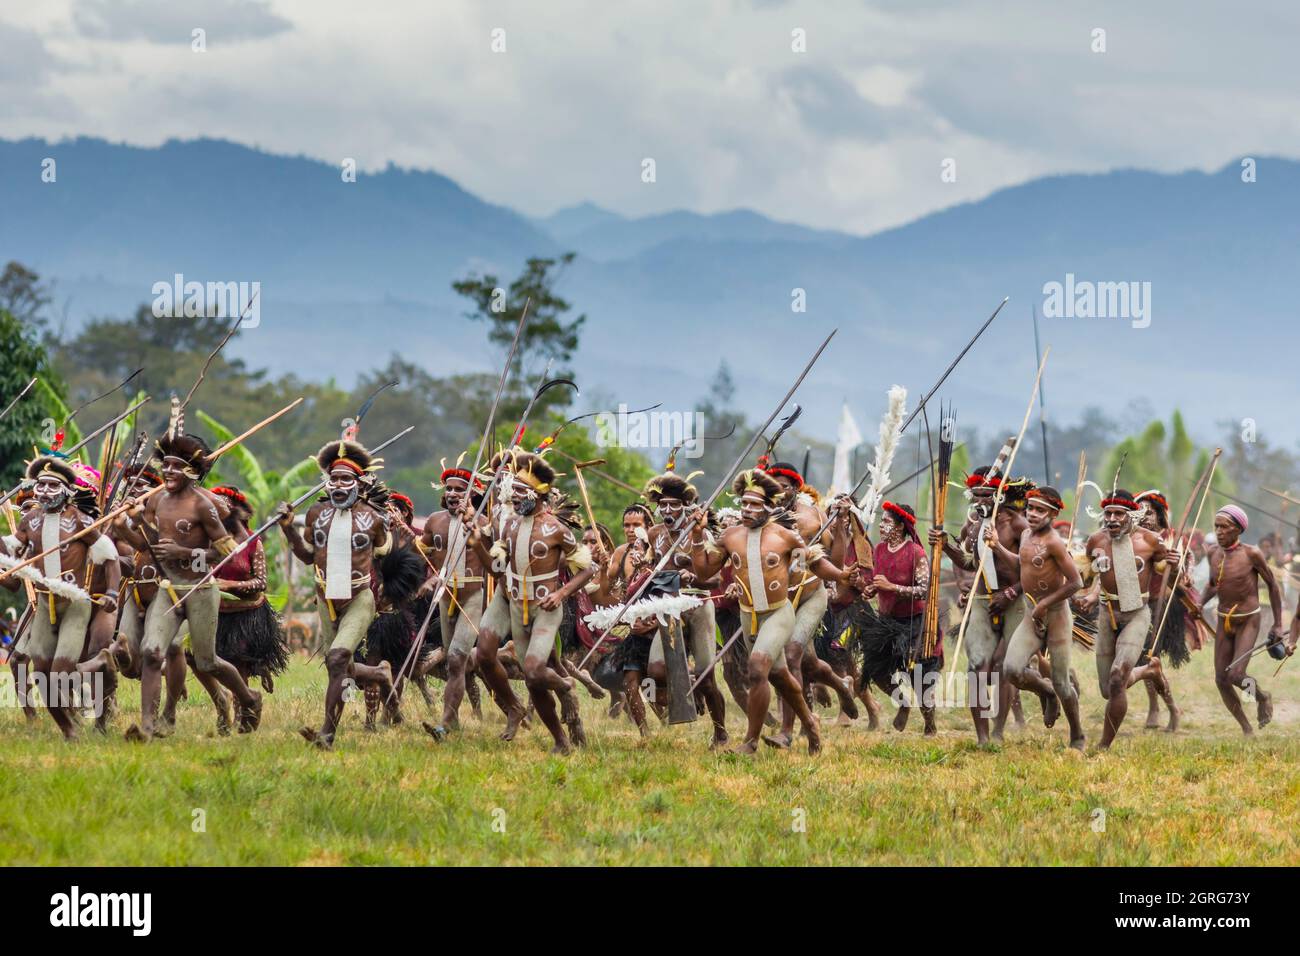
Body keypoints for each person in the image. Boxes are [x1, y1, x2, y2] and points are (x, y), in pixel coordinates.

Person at [688, 469, 863, 755]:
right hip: (748, 615)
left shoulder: (785, 537)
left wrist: (842, 575)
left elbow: (815, 563)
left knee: (757, 669)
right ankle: (811, 723)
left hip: (778, 614)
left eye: (755, 504)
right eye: (744, 503)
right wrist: (697, 535)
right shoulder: (730, 536)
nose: (747, 509)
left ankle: (750, 742)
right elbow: (704, 569)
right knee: (779, 675)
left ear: (769, 507)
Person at [469, 451, 595, 754]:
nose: (514, 498)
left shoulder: (556, 529)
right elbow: (496, 570)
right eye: (514, 492)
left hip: (545, 609)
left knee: (535, 671)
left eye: (521, 492)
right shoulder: (510, 527)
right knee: (532, 680)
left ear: (538, 494)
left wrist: (561, 594)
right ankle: (561, 741)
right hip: (513, 602)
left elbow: (588, 569)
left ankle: (565, 686)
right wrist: (477, 545)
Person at [277, 439, 395, 749]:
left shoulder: (373, 518)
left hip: (358, 597)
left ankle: (327, 733)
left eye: (346, 479)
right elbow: (306, 555)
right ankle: (380, 675)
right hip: (325, 597)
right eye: (334, 479)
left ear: (358, 484)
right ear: (327, 483)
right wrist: (289, 528)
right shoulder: (316, 513)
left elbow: (383, 552)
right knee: (337, 665)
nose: (339, 484)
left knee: (339, 656)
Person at [1, 457, 121, 738]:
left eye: (52, 485)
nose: (43, 491)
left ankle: (100, 673)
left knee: (60, 672)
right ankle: (70, 731)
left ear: (67, 491)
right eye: (40, 485)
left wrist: (113, 592)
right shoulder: (30, 520)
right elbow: (10, 548)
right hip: (44, 603)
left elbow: (111, 557)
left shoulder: (82, 521)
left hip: (75, 604)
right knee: (42, 674)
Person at [928, 467, 1031, 744]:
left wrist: (1010, 592)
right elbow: (969, 563)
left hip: (1015, 601)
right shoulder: (972, 527)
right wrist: (946, 545)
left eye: (988, 496)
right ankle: (983, 737)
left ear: (1001, 495)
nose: (981, 502)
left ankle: (999, 729)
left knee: (1005, 667)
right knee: (976, 668)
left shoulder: (1020, 525)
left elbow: (1031, 570)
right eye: (978, 496)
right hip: (983, 601)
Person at [986, 486, 1085, 749]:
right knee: (1012, 669)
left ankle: (1077, 735)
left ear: (1052, 513)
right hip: (1033, 611)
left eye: (1040, 510)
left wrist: (1046, 604)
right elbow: (1022, 565)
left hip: (1056, 615)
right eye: (1030, 508)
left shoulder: (1054, 542)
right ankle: (1046, 691)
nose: (1032, 514)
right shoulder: (1027, 534)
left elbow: (1076, 582)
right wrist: (996, 547)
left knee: (1063, 682)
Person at [1075, 489, 1170, 748]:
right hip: (1107, 614)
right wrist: (1081, 590)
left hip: (1137, 614)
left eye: (1119, 514)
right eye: (1108, 513)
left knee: (1118, 677)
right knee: (1108, 688)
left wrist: (1175, 563)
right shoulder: (1095, 541)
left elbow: (1169, 573)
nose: (1113, 519)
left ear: (1132, 516)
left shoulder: (1151, 541)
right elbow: (1086, 577)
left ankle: (1104, 745)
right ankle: (1148, 670)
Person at [1200, 505, 1285, 734]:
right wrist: (1198, 603)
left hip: (1248, 620)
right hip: (1223, 619)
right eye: (1216, 527)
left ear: (1237, 529)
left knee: (1236, 674)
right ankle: (1246, 728)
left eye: (1224, 527)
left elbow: (1273, 586)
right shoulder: (1213, 553)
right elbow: (1212, 584)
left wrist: (1278, 624)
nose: (1219, 532)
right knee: (1221, 679)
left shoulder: (1252, 554)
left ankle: (1261, 697)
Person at [865, 501, 938, 735]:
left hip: (913, 621)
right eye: (882, 520)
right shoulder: (879, 549)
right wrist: (871, 589)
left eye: (886, 521)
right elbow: (879, 580)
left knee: (918, 676)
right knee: (875, 670)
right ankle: (903, 702)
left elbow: (925, 590)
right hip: (886, 621)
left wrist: (892, 587)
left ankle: (929, 723)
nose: (881, 525)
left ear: (899, 526)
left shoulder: (916, 552)